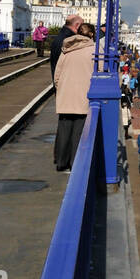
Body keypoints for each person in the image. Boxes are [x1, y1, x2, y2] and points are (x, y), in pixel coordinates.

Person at [52, 23, 95, 172]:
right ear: (91, 35)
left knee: (64, 129)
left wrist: (63, 90)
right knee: (79, 131)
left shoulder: (67, 49)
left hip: (65, 95)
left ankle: (61, 162)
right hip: (84, 96)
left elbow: (57, 76)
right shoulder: (95, 50)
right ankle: (75, 162)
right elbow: (101, 72)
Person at [46, 14, 82, 81]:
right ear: (77, 25)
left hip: (60, 81)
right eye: (82, 25)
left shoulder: (61, 36)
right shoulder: (69, 40)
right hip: (65, 82)